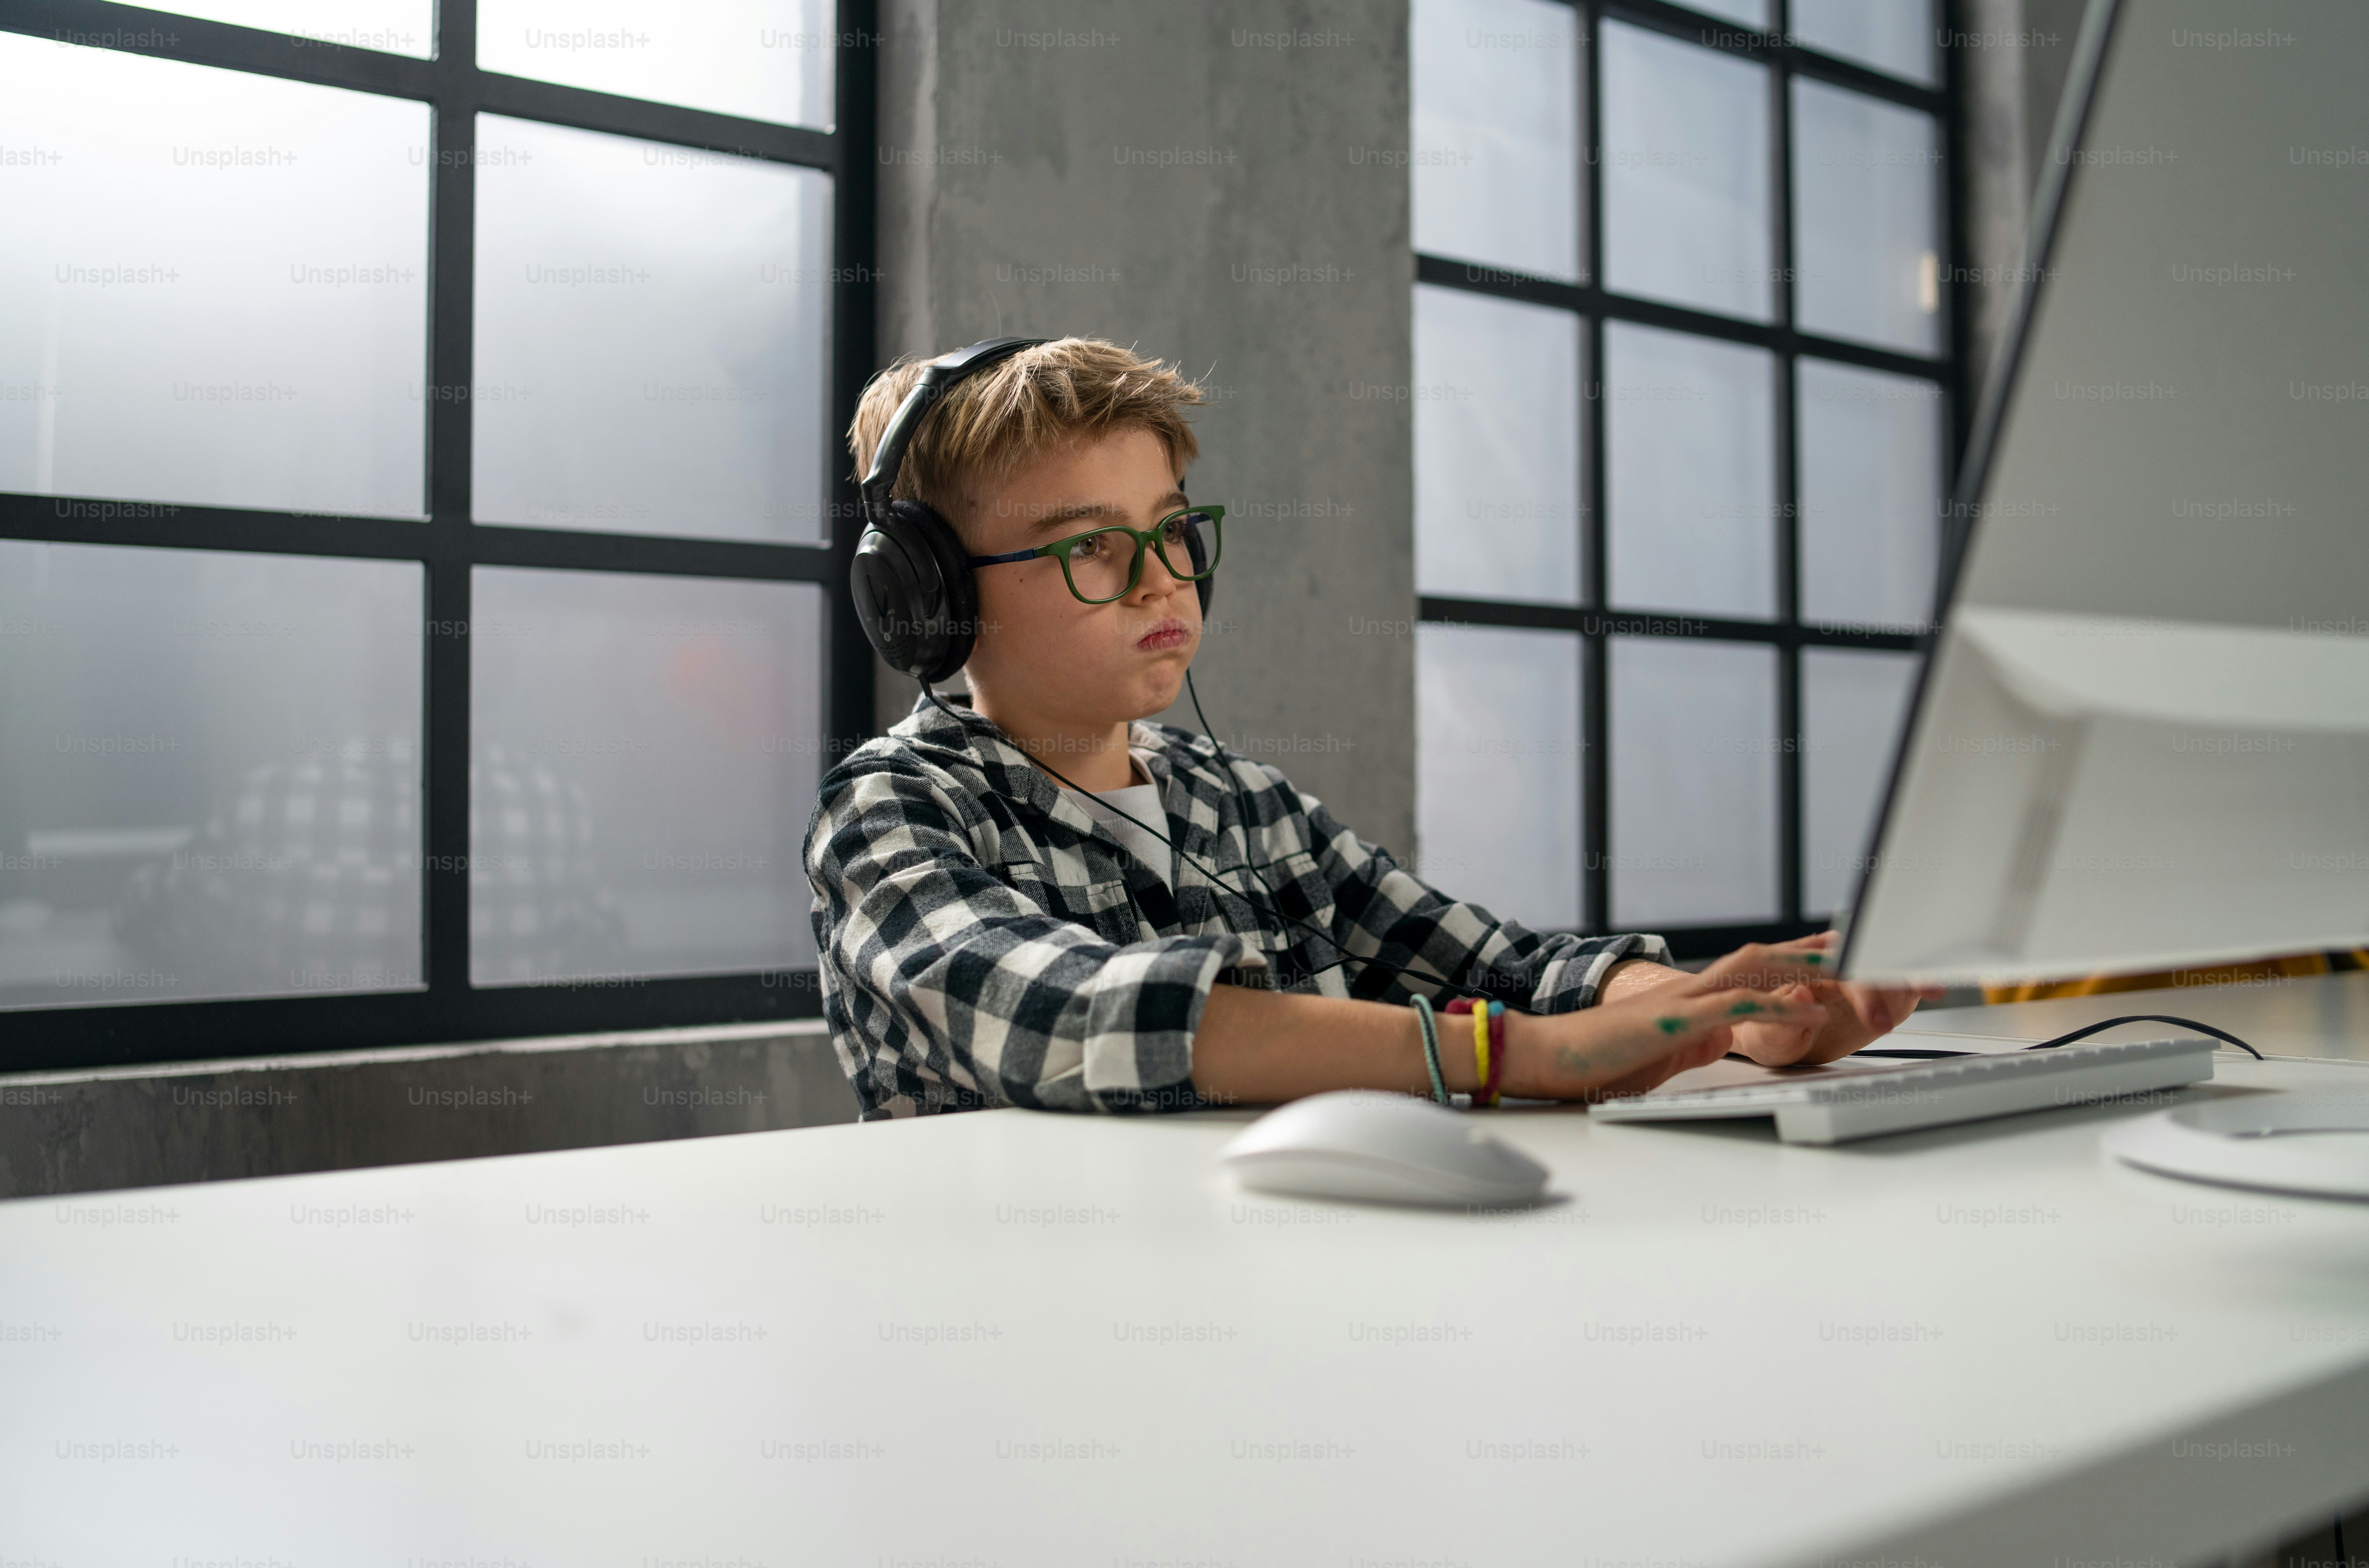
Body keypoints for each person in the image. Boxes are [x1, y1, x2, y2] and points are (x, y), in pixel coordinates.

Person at [804, 338, 1929, 1119]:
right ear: (931, 594)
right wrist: (1512, 1060)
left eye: (1173, 530)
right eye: (1088, 546)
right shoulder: (891, 810)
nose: (1162, 582)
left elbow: (1501, 966)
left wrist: (1723, 1019)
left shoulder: (1240, 802)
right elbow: (1064, 1012)